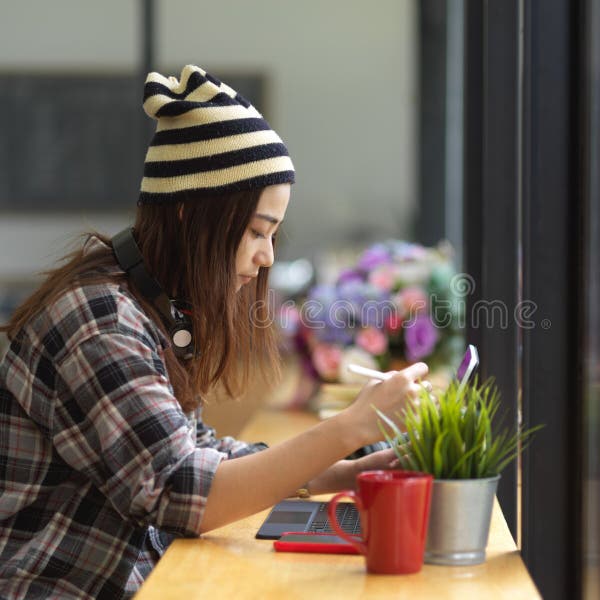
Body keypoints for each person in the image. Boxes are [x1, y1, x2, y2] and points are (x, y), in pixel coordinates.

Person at [0, 65, 427, 599]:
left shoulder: (152, 304)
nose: (266, 255)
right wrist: (349, 427)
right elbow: (179, 490)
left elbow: (198, 450)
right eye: (255, 231)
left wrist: (342, 471)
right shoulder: (100, 323)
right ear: (187, 214)